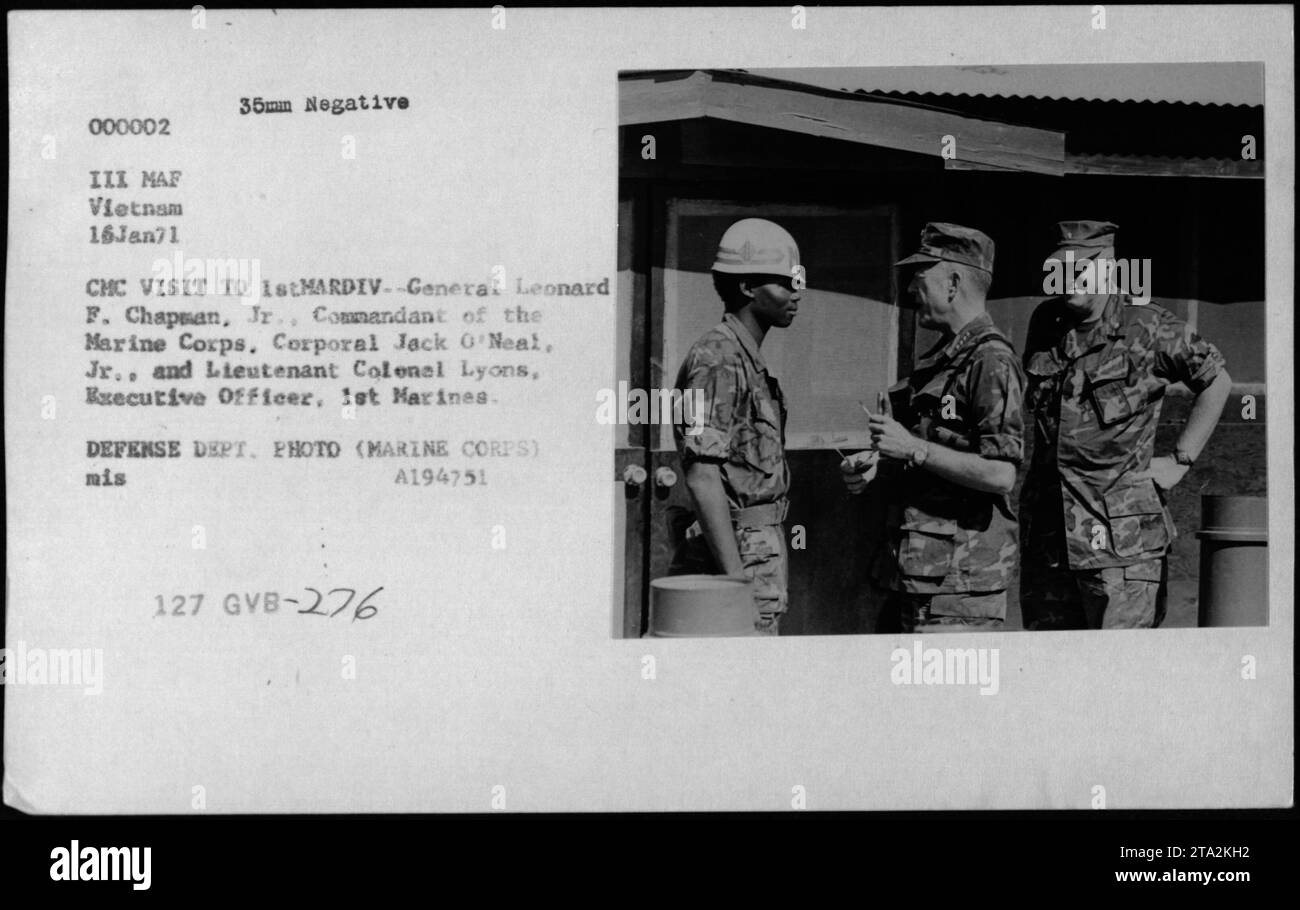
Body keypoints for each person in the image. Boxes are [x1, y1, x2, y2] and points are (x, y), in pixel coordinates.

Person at [1019, 220, 1232, 630]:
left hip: (1123, 546)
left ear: (1108, 268)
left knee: (1120, 677)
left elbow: (1216, 379)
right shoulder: (1045, 323)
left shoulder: (1147, 325)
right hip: (1050, 544)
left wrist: (1181, 459)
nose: (1068, 279)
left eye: (1080, 268)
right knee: (1054, 677)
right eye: (1060, 268)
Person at [842, 223, 1025, 633]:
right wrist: (875, 464)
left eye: (919, 277)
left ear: (953, 282)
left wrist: (913, 449)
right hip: (916, 574)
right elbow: (918, 449)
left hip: (960, 587)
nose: (909, 290)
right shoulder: (940, 360)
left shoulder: (991, 360)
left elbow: (1001, 474)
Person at [669, 218, 801, 635]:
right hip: (737, 556)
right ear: (747, 288)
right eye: (784, 283)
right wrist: (734, 585)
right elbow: (702, 475)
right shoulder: (719, 357)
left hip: (755, 548)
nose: (797, 293)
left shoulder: (745, 358)